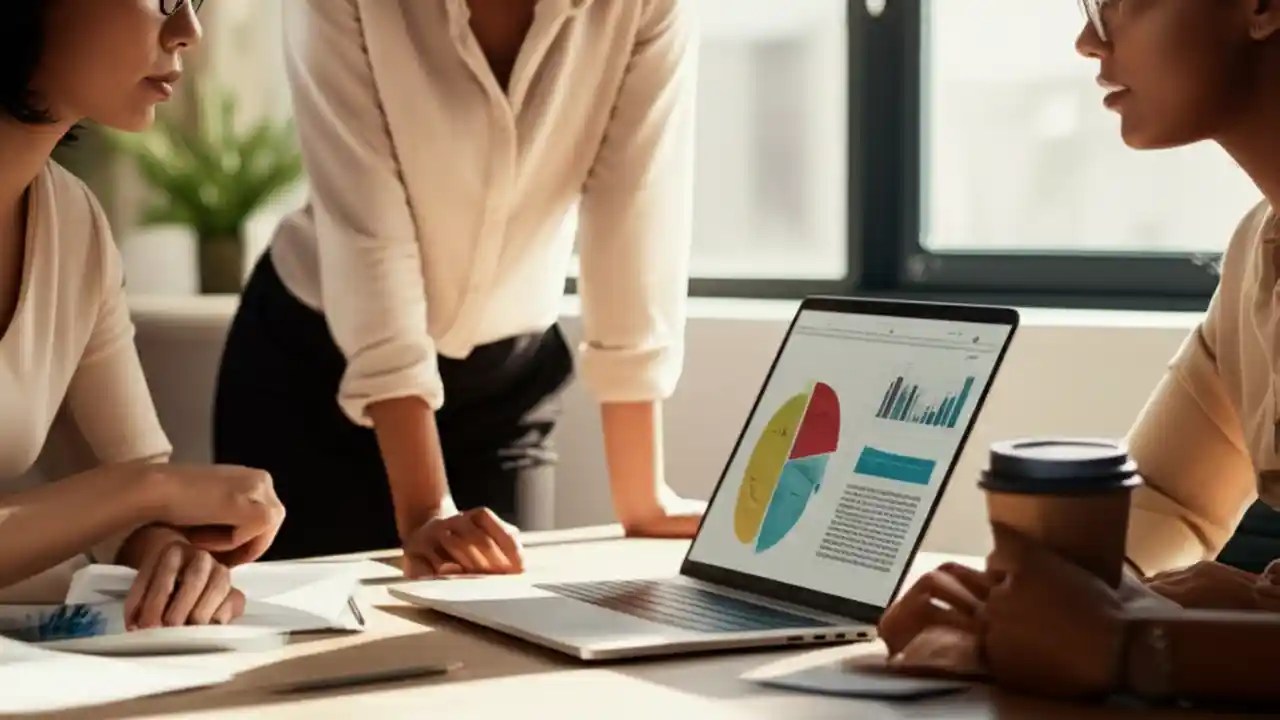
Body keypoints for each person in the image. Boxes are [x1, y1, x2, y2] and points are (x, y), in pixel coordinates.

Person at [213, 0, 704, 577]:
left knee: (504, 622)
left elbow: (635, 213)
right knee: (308, 631)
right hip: (314, 374)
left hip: (501, 386)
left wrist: (643, 498)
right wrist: (426, 509)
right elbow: (372, 233)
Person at [880, 0, 1280, 701]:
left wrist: (1136, 642)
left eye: (1118, 2)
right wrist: (1006, 608)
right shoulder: (1258, 252)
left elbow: (1133, 626)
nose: (1088, 41)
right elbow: (1164, 501)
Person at [1, 0, 285, 629]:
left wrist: (169, 558)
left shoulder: (74, 224)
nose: (188, 32)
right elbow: (136, 488)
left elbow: (128, 496)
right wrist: (150, 493)